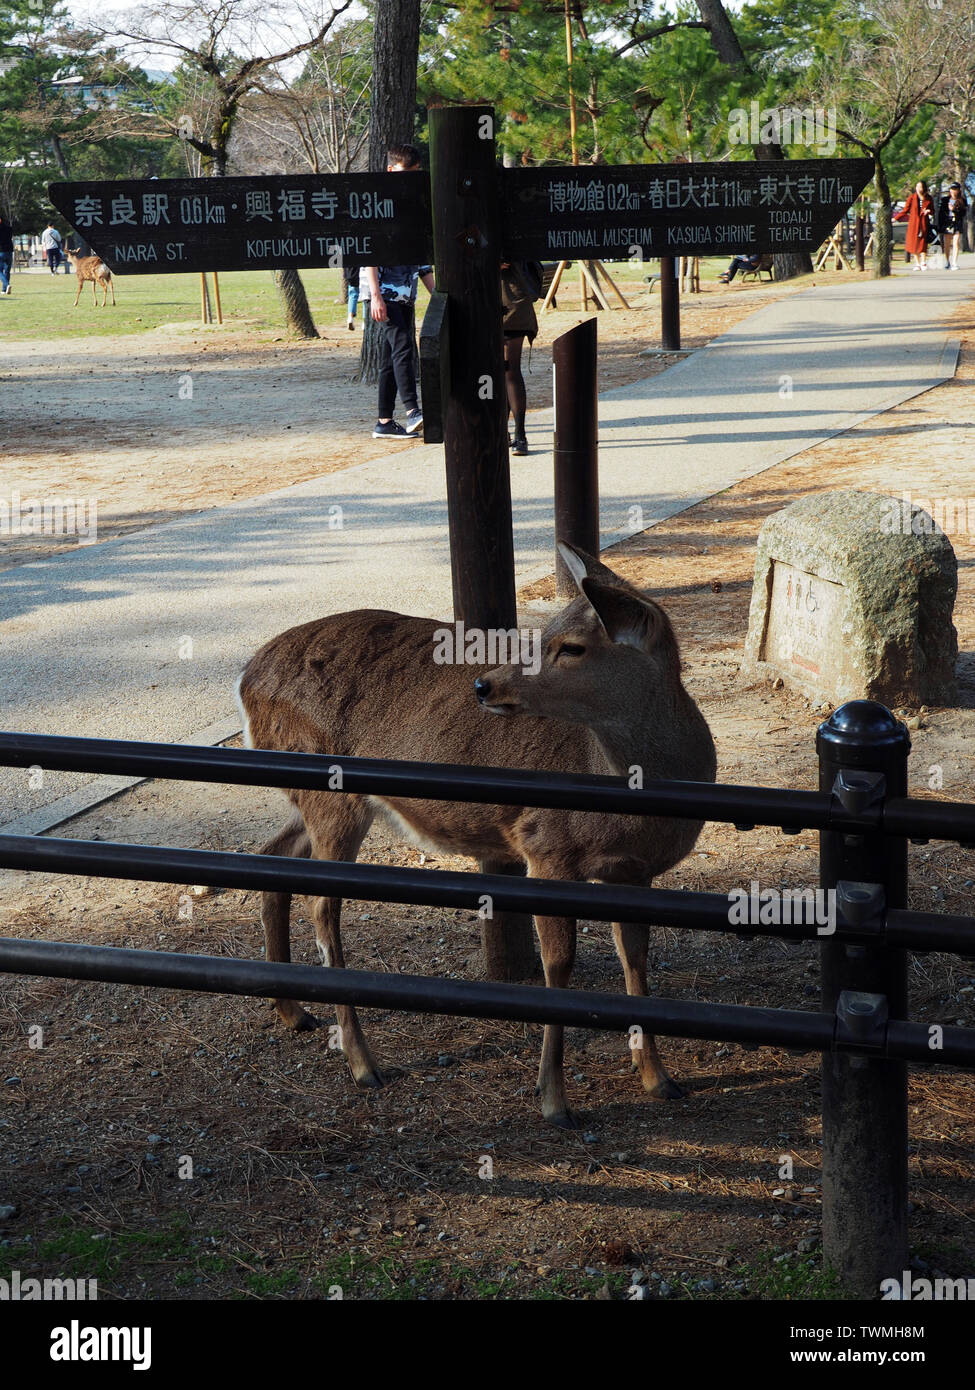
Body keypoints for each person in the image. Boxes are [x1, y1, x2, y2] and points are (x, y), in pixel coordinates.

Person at [363, 143, 435, 439]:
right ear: (392, 170)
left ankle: (383, 422)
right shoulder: (378, 204)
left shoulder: (411, 206)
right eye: (409, 173)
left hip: (406, 293)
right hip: (386, 294)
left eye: (417, 173)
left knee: (389, 358)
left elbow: (421, 262)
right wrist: (376, 295)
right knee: (404, 347)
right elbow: (368, 254)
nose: (413, 178)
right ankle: (412, 410)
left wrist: (440, 295)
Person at [500, 260, 541, 456]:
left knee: (509, 371)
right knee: (505, 371)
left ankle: (519, 434)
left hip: (509, 303)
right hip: (510, 302)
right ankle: (515, 434)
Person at [893, 181, 935, 271]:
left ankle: (923, 262)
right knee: (914, 243)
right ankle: (917, 263)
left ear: (924, 188)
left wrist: (928, 211)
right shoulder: (912, 198)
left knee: (923, 242)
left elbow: (932, 210)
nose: (918, 188)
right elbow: (905, 210)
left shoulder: (929, 198)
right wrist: (895, 218)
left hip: (924, 222)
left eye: (920, 187)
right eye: (917, 186)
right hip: (914, 223)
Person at [937, 183, 968, 271]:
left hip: (957, 222)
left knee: (956, 242)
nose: (953, 191)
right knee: (947, 243)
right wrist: (940, 226)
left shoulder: (962, 200)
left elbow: (963, 213)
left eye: (955, 189)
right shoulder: (945, 200)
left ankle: (954, 262)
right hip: (947, 223)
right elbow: (941, 213)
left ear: (958, 190)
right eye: (952, 189)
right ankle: (947, 261)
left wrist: (953, 209)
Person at [344, 261, 360, 329]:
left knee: (352, 296)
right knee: (366, 298)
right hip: (360, 274)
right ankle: (365, 322)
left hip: (350, 276)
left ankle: (350, 317)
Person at [0, 213, 13, 296]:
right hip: (9, 251)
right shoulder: (9, 228)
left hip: (1, 252)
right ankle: (4, 290)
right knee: (7, 271)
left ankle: (7, 284)